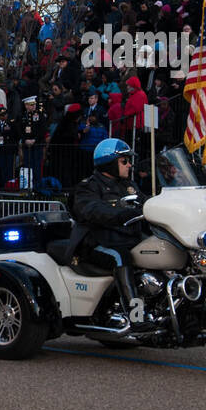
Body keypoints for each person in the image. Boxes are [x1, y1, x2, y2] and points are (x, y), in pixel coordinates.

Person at [72, 138, 151, 327]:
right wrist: (123, 213)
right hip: (98, 243)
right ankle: (136, 316)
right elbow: (92, 210)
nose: (129, 165)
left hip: (128, 239)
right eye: (124, 161)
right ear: (109, 163)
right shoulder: (88, 186)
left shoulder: (129, 186)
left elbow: (146, 202)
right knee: (120, 257)